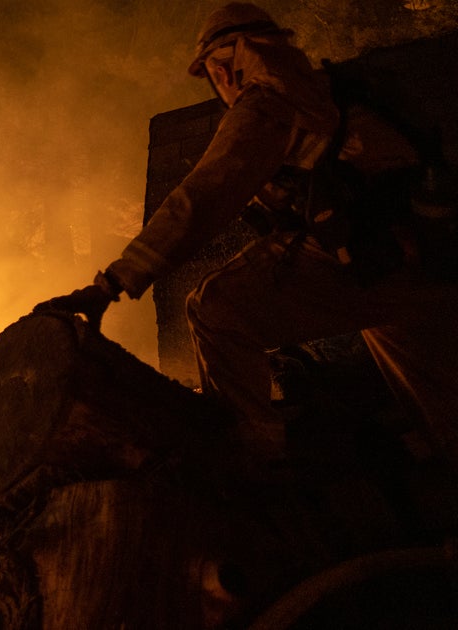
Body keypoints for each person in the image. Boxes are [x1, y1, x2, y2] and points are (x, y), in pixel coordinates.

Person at [36, 3, 458, 473]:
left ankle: (255, 459)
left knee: (215, 308)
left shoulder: (269, 103)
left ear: (224, 65)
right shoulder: (327, 89)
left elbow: (201, 198)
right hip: (425, 257)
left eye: (212, 74)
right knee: (443, 406)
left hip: (366, 258)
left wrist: (112, 283)